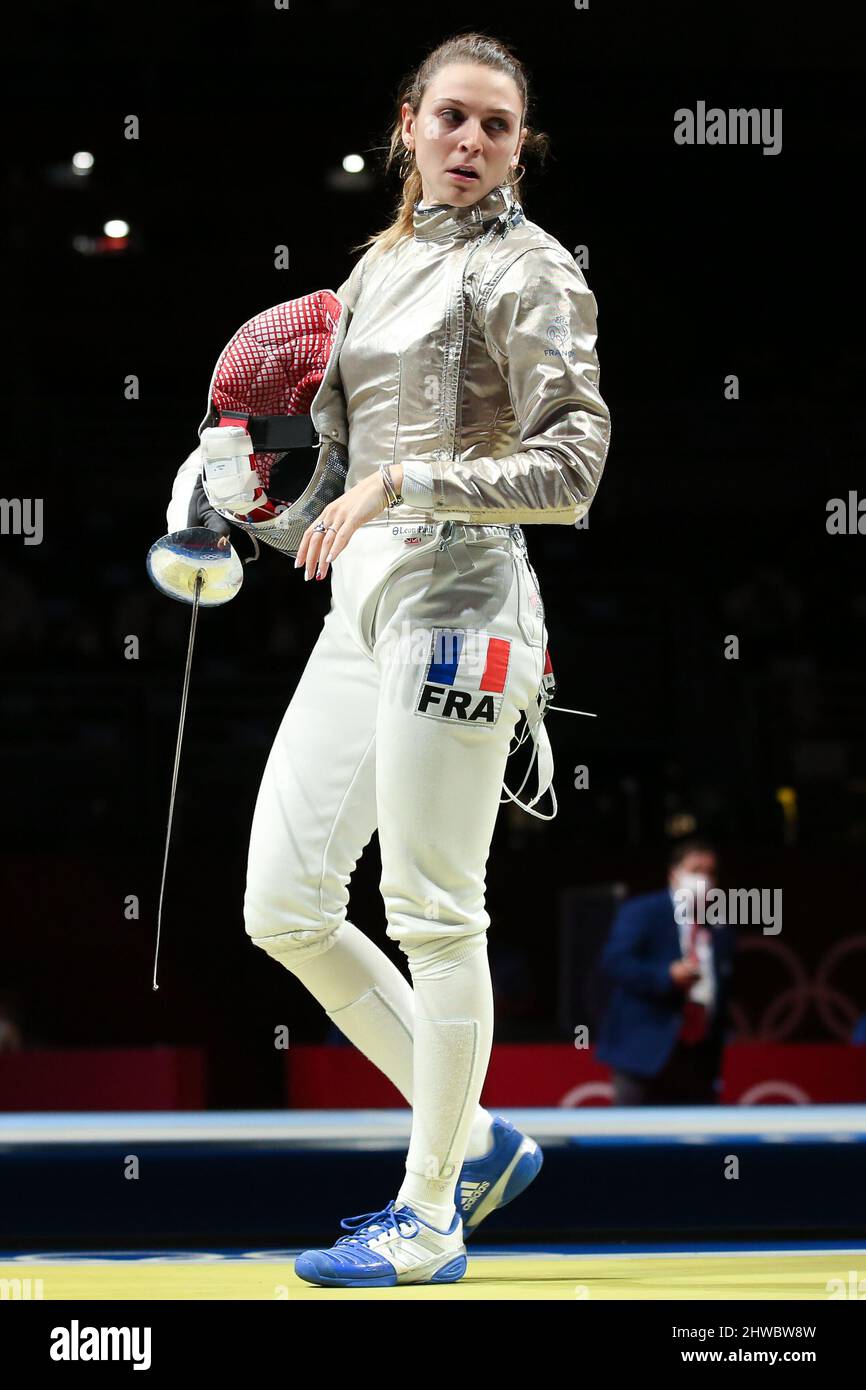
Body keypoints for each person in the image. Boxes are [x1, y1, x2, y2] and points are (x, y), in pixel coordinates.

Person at [165, 31, 611, 1287]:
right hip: (359, 612)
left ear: (519, 146)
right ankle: (473, 1138)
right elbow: (336, 506)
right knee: (284, 904)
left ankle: (426, 1217)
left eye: (498, 128)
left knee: (430, 909)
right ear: (407, 122)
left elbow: (573, 468)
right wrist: (245, 504)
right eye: (452, 118)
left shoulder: (533, 273)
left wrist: (411, 478)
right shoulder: (372, 273)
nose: (471, 144)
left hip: (464, 615)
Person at [595, 840, 736, 1106]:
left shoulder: (719, 925)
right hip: (643, 1051)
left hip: (699, 1056)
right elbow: (615, 962)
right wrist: (666, 976)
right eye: (695, 870)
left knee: (696, 1142)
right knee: (632, 1139)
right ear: (674, 873)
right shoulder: (643, 911)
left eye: (709, 872)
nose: (703, 879)